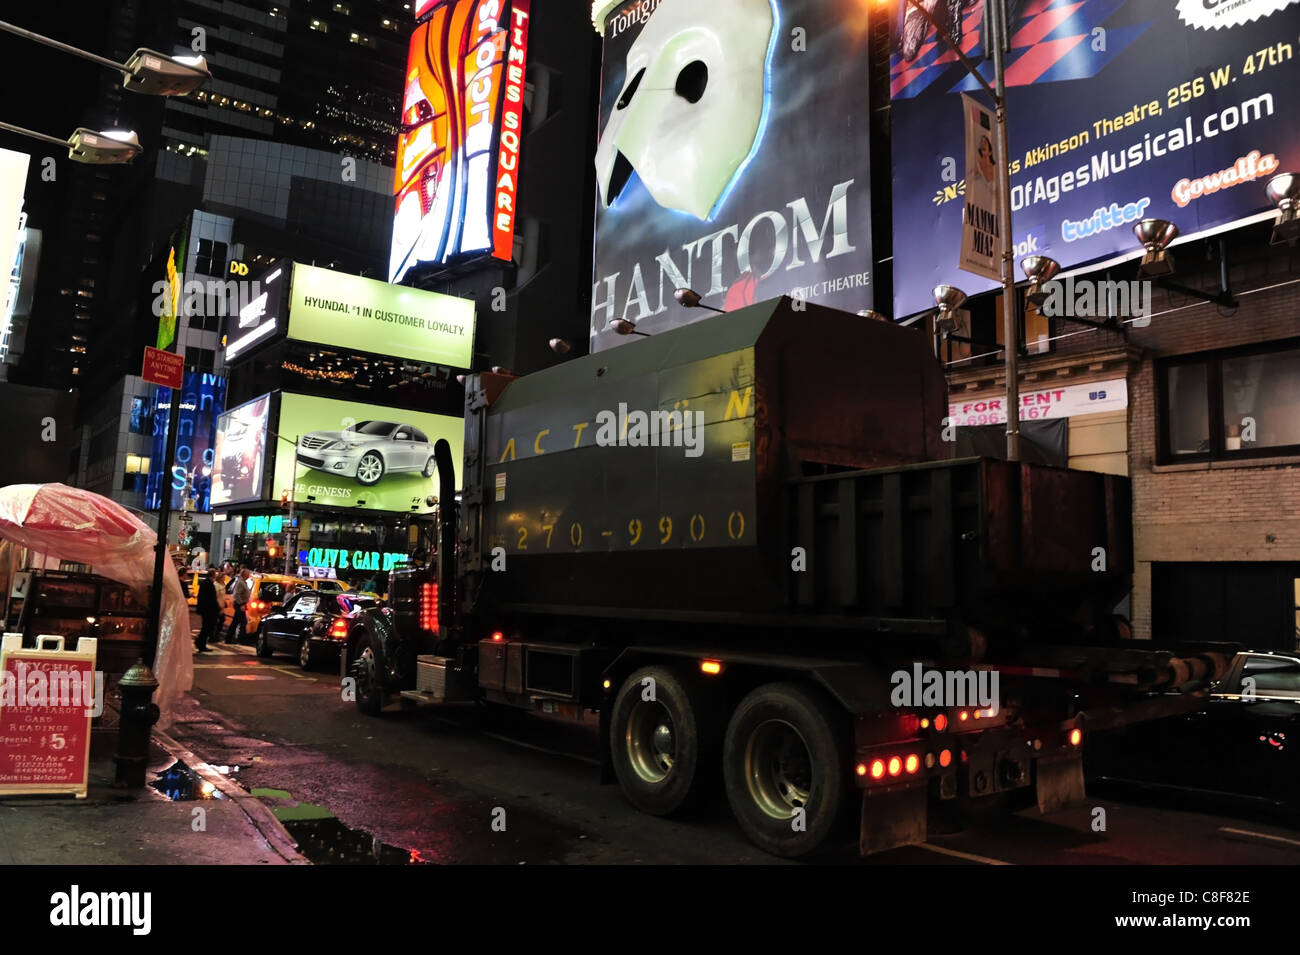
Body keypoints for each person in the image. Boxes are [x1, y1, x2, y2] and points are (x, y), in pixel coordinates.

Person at [195, 569, 221, 652]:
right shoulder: (209, 584)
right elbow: (211, 599)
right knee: (207, 628)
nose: (216, 575)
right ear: (212, 575)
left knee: (206, 627)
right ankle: (200, 643)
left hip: (205, 609)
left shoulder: (205, 583)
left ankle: (200, 643)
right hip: (208, 610)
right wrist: (217, 608)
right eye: (215, 574)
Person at [224, 567, 252, 644]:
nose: (249, 575)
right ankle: (241, 640)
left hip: (242, 604)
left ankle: (229, 638)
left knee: (235, 622)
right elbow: (236, 594)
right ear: (245, 574)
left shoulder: (243, 582)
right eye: (248, 574)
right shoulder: (240, 582)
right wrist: (241, 604)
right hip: (240, 604)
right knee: (243, 622)